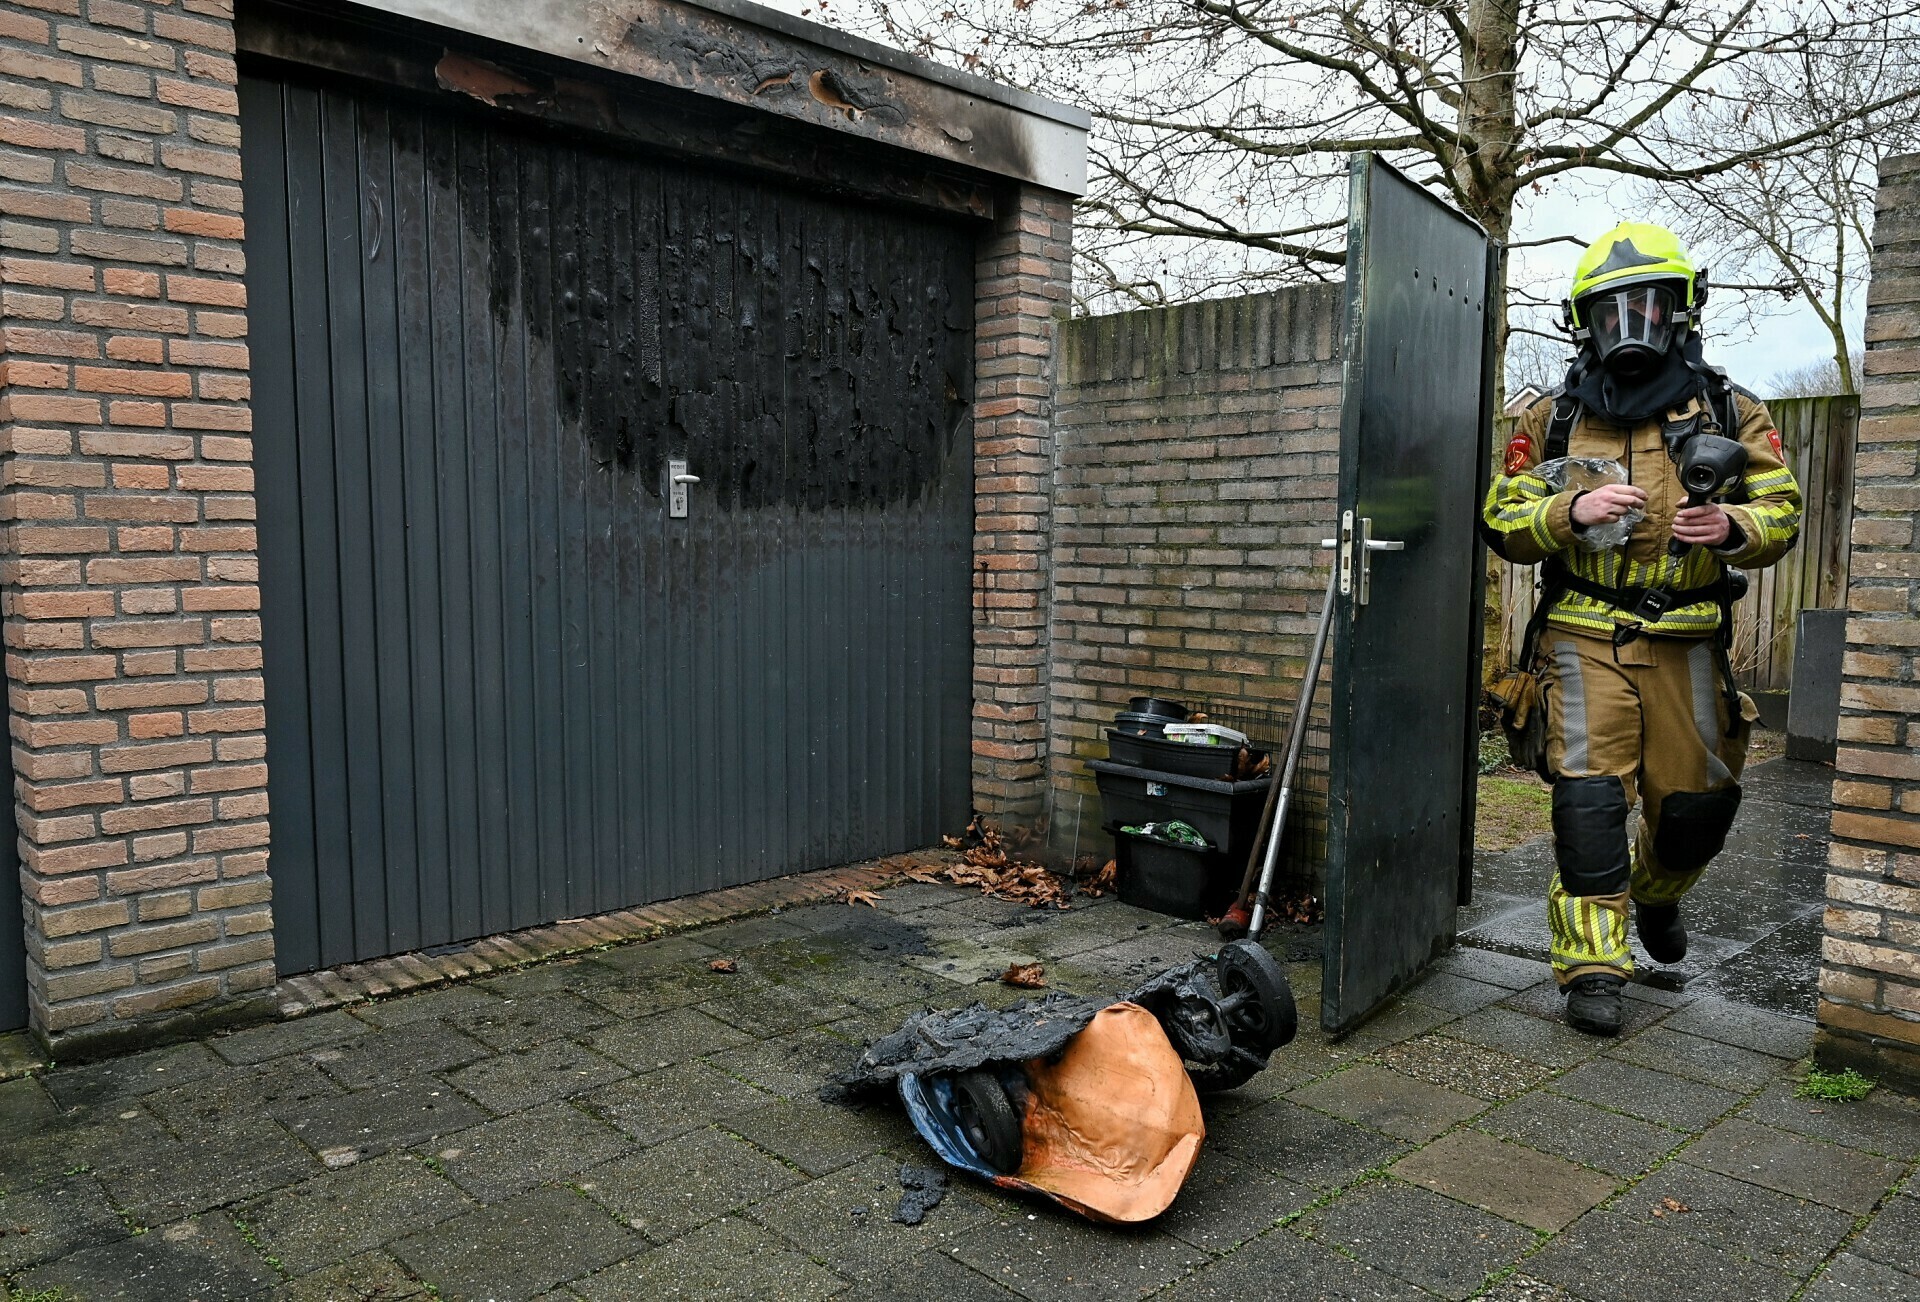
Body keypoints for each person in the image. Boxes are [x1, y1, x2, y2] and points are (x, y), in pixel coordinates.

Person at [1481, 222, 1802, 1036]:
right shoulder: (1553, 418)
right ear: (1583, 320)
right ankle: (1593, 965)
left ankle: (1657, 895)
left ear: (1679, 312)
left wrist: (1732, 528)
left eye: (1649, 306)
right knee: (1588, 801)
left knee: (1695, 811)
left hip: (1690, 638)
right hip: (1583, 634)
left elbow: (1783, 508)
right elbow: (1502, 514)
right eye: (1611, 308)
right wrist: (1567, 508)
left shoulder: (1732, 408)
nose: (1631, 323)